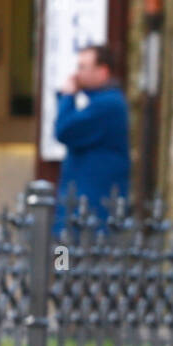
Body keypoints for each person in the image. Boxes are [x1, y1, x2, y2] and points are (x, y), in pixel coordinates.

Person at [53, 44, 131, 231]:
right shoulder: (103, 102)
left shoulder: (108, 105)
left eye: (82, 67)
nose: (77, 73)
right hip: (84, 200)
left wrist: (67, 97)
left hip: (91, 204)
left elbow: (64, 130)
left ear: (102, 71)